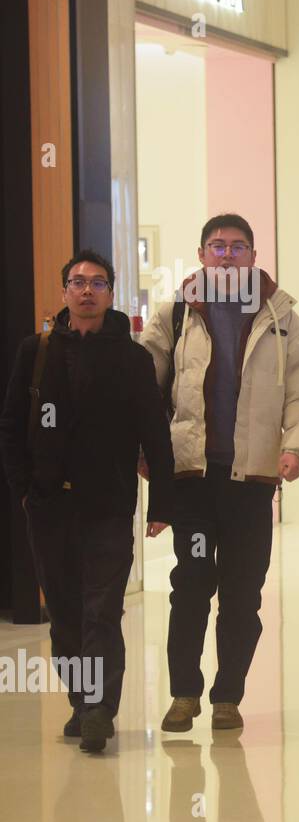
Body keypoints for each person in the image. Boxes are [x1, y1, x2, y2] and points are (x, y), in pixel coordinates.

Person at [140, 213, 299, 734]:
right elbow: (143, 385)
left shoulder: (282, 316)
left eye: (237, 247)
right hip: (193, 479)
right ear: (201, 255)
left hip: (251, 480)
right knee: (192, 583)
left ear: (252, 256)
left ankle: (227, 696)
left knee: (243, 591)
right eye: (216, 246)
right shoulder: (176, 312)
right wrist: (147, 451)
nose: (226, 255)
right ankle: (183, 693)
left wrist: (297, 449)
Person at [0, 250, 176, 753]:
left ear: (110, 294)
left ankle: (99, 708)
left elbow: (154, 434)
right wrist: (25, 491)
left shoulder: (133, 358)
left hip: (109, 504)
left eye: (98, 283)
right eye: (77, 282)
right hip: (50, 506)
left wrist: (162, 502)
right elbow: (12, 426)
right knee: (65, 613)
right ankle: (82, 700)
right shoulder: (35, 351)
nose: (86, 291)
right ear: (64, 293)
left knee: (101, 609)